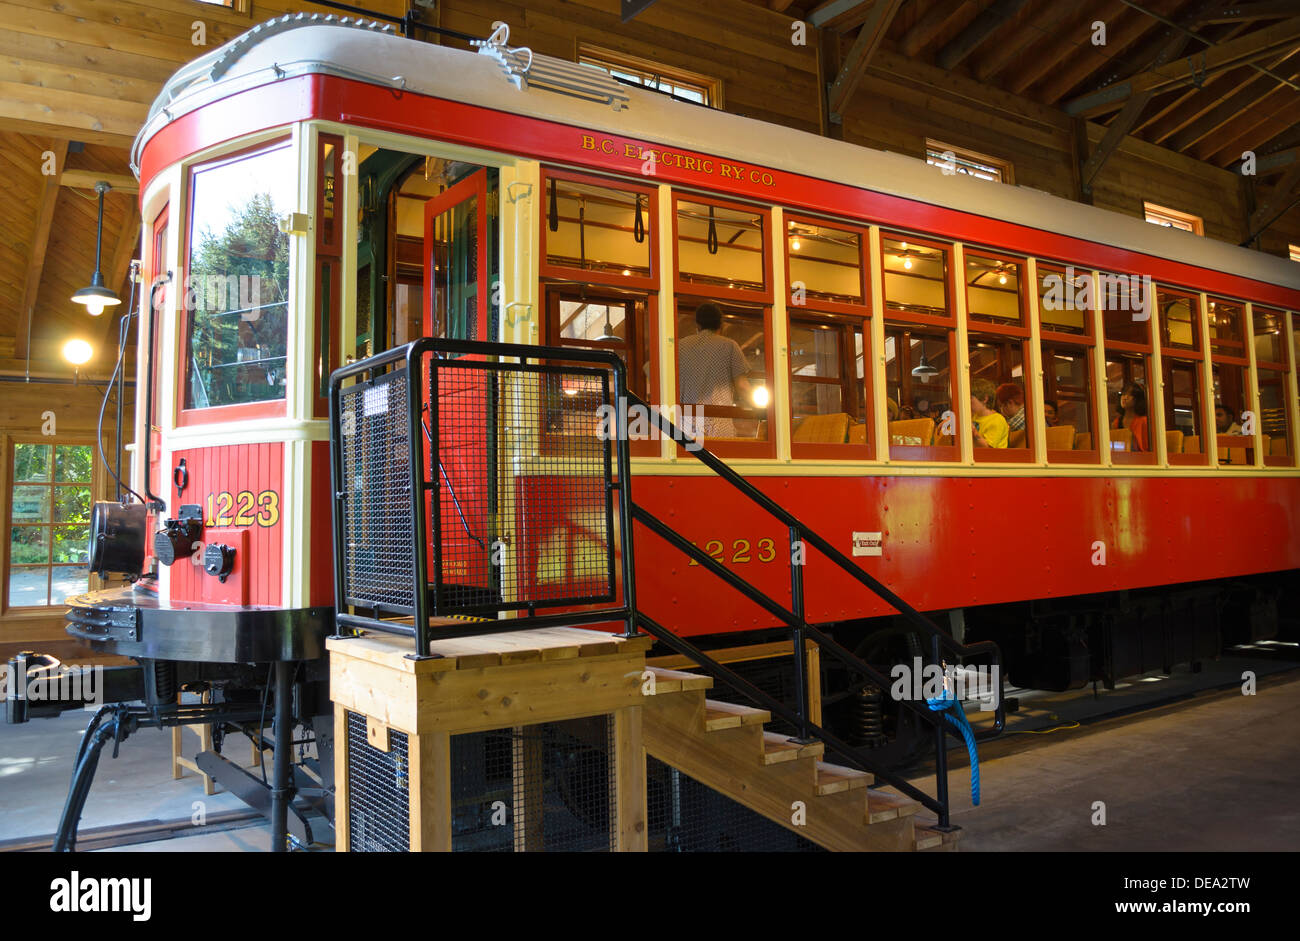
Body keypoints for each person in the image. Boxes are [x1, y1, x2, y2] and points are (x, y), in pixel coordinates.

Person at [676, 302, 751, 439]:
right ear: (721, 325)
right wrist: (760, 412)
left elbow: (650, 369)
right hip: (719, 427)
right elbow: (743, 387)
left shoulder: (679, 346)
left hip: (685, 428)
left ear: (697, 325)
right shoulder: (730, 346)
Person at [970, 378, 1009, 448]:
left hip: (993, 458)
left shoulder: (997, 420)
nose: (968, 403)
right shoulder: (975, 416)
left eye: (970, 399)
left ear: (984, 399)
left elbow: (987, 448)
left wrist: (973, 431)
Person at [1118, 381, 1149, 452]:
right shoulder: (1116, 422)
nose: (1125, 397)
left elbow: (1147, 450)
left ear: (1137, 399)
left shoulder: (1144, 421)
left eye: (1130, 395)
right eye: (1123, 394)